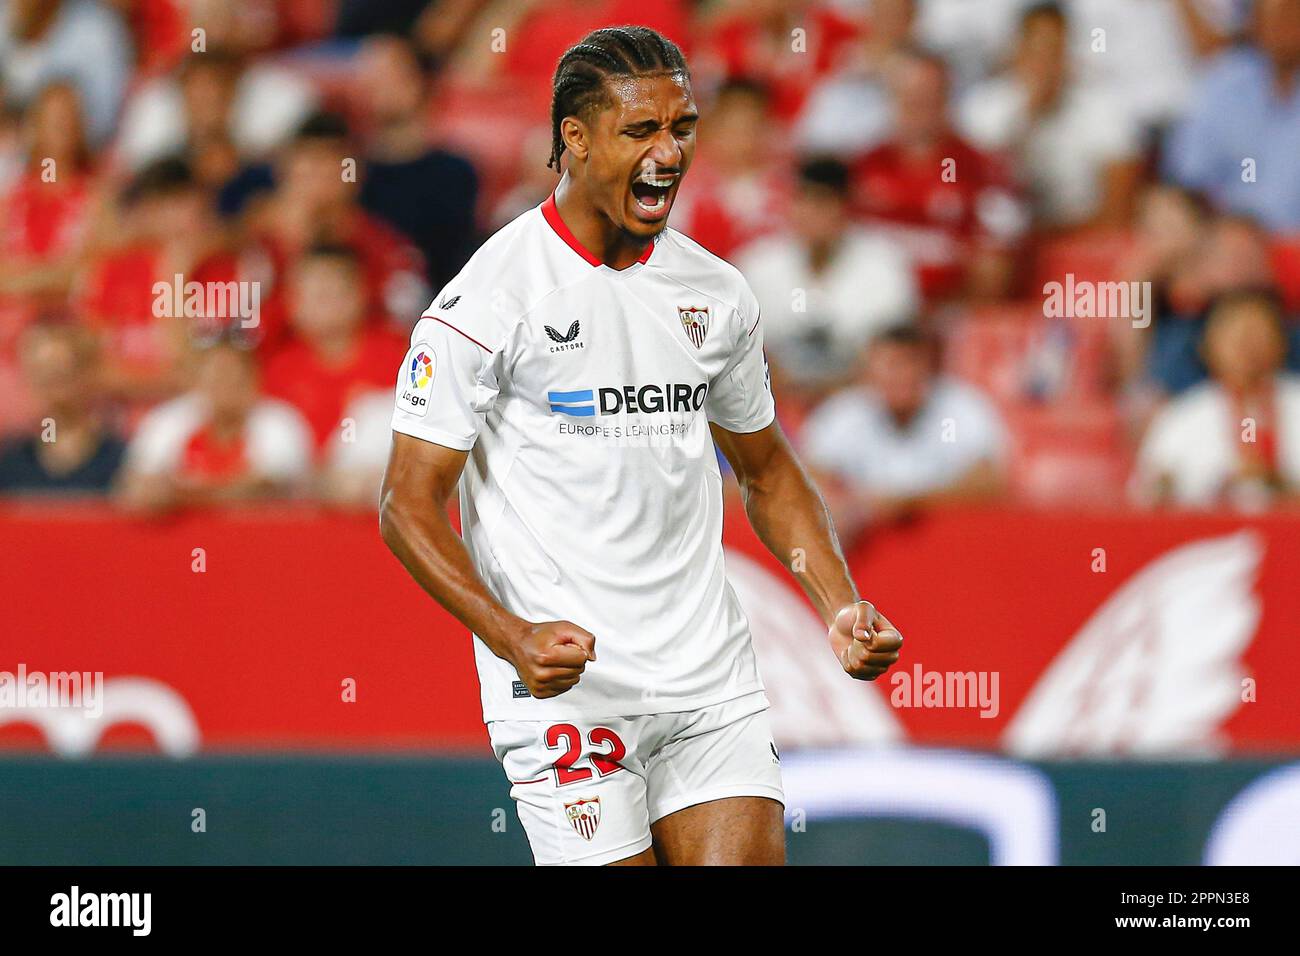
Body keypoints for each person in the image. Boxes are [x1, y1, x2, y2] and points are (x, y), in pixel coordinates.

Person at [379, 26, 903, 868]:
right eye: (640, 132)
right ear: (574, 141)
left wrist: (837, 603)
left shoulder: (716, 294)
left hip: (708, 679)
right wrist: (510, 635)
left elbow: (766, 471)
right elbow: (406, 505)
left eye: (682, 128)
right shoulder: (488, 300)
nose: (668, 154)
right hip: (570, 698)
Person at [801, 324, 1008, 542]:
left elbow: (990, 483)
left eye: (909, 364)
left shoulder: (962, 408)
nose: (900, 375)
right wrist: (848, 502)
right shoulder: (845, 413)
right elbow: (806, 476)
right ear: (869, 369)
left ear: (930, 367)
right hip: (864, 556)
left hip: (950, 549)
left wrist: (908, 502)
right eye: (890, 365)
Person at [735, 156, 917, 403]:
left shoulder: (885, 267)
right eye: (804, 201)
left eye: (823, 202)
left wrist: (832, 393)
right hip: (774, 401)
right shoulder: (757, 265)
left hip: (861, 403)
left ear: (846, 207)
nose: (812, 214)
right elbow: (737, 352)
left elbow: (897, 356)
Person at [1132, 290, 1300, 510]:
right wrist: (1216, 485)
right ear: (1208, 346)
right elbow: (1146, 496)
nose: (1247, 348)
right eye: (1236, 337)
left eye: (1256, 335)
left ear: (1280, 342)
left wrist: (1280, 484)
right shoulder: (1180, 416)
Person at [118, 336, 312, 512]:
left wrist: (178, 494)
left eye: (235, 379)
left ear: (255, 380)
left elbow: (267, 490)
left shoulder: (280, 422)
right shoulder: (167, 421)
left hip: (262, 541)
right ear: (197, 382)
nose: (225, 389)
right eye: (217, 378)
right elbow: (140, 489)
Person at [0, 323, 125, 495]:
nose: (51, 385)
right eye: (40, 372)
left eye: (60, 372)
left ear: (88, 374)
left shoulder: (121, 460)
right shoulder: (12, 462)